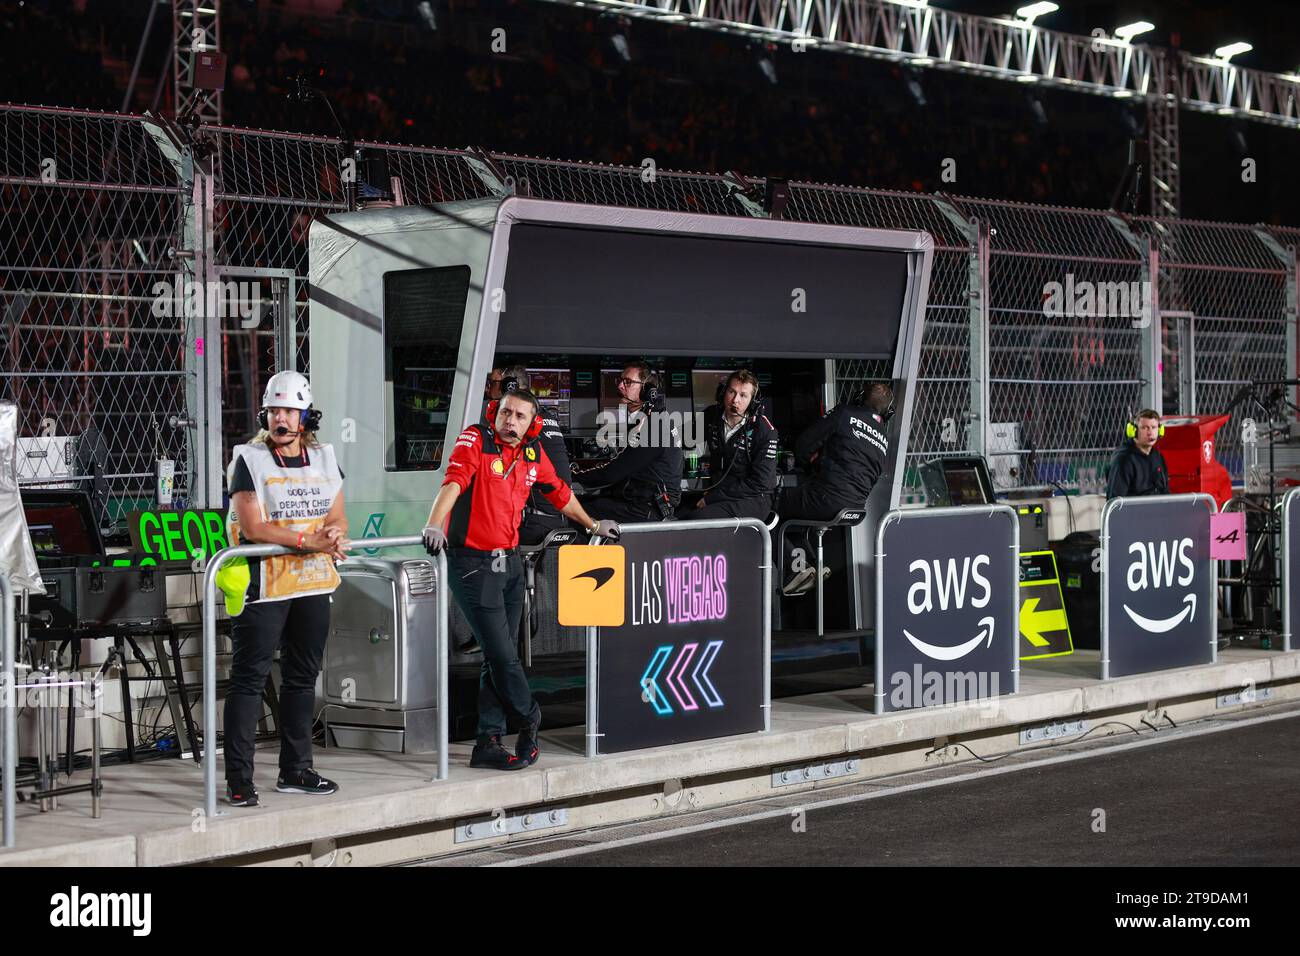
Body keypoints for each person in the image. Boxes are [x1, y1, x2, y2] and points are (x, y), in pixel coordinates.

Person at [422, 388, 619, 771]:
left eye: (520, 417)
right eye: (506, 413)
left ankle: (488, 741)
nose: (510, 421)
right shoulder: (476, 438)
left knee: (497, 660)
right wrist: (434, 523)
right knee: (502, 655)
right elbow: (454, 481)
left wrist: (594, 524)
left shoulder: (531, 453)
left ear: (532, 424)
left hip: (510, 564)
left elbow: (560, 494)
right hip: (472, 564)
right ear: (495, 413)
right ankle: (530, 718)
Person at [222, 370, 349, 807]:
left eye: (289, 411)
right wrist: (306, 541)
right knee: (249, 680)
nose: (280, 418)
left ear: (305, 416)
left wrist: (334, 536)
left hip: (311, 581)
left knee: (301, 678)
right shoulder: (249, 459)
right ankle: (239, 780)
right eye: (274, 409)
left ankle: (296, 770)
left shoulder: (325, 458)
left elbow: (337, 515)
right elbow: (253, 526)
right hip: (264, 583)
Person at [778, 382, 893, 595]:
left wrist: (805, 465)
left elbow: (803, 444)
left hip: (827, 500)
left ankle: (794, 572)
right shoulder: (884, 438)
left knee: (769, 504)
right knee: (797, 509)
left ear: (859, 397)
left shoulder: (845, 413)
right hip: (856, 509)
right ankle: (810, 565)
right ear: (887, 411)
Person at [576, 360, 683, 523]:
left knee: (575, 511)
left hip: (646, 510)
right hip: (644, 504)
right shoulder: (652, 418)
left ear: (648, 391)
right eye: (620, 381)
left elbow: (613, 472)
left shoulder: (655, 425)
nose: (620, 386)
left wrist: (572, 477)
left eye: (628, 382)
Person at [679, 369, 778, 522]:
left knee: (696, 520)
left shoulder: (763, 430)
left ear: (753, 401)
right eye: (732, 392)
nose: (735, 400)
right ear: (723, 393)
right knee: (677, 515)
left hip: (752, 499)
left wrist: (713, 498)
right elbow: (681, 438)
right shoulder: (713, 416)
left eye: (743, 395)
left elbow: (760, 483)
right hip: (718, 495)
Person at [493, 365, 573, 546]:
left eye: (497, 384)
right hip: (560, 519)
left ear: (509, 388)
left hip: (536, 524)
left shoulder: (520, 424)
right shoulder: (543, 417)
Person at [1106, 409, 1169, 499]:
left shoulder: (1157, 457)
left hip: (1157, 510)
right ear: (1133, 431)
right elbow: (1115, 501)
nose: (1150, 432)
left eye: (1154, 427)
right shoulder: (1123, 460)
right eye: (1144, 427)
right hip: (1134, 511)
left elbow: (1165, 492)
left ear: (1160, 430)